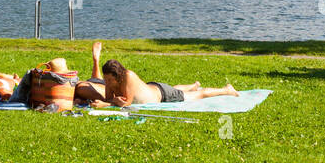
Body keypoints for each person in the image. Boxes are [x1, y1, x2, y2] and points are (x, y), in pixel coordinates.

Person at [97, 53, 238, 105]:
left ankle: (226, 90)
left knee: (199, 95)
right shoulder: (110, 79)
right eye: (106, 79)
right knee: (175, 89)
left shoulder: (128, 76)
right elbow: (110, 99)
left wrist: (109, 103)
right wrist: (111, 101)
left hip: (162, 94)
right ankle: (193, 84)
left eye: (109, 80)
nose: (107, 83)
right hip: (154, 88)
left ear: (118, 76)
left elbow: (126, 103)